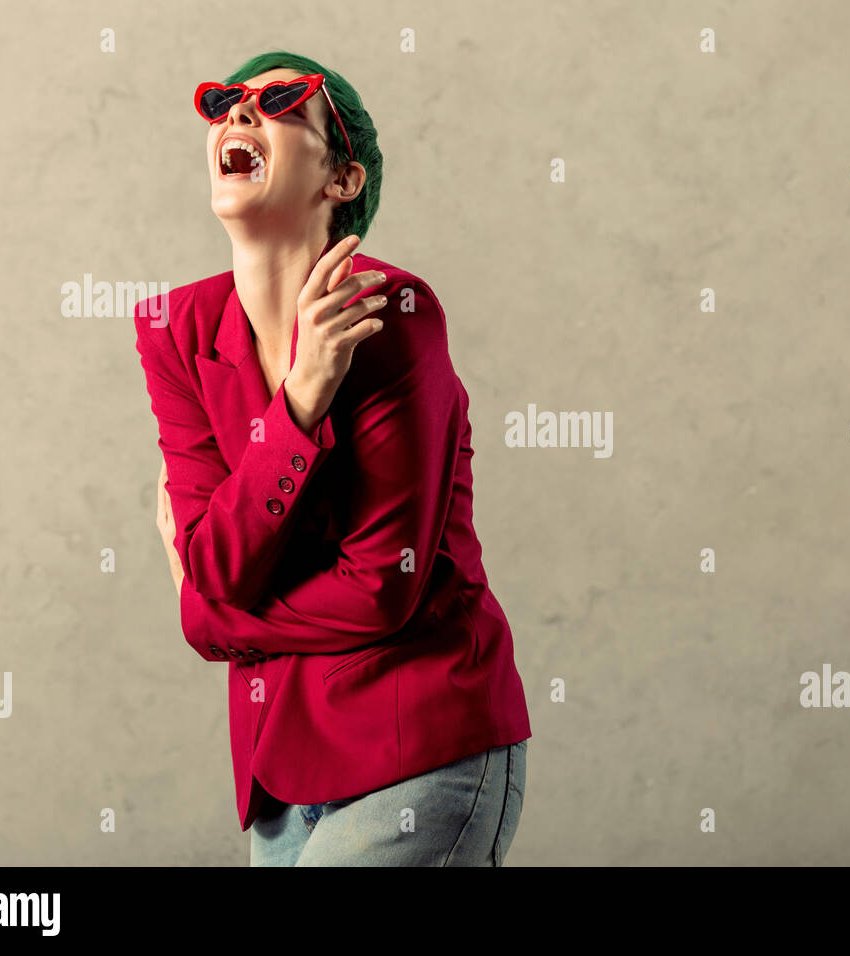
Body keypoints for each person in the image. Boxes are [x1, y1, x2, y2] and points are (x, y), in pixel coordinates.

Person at [133, 50, 530, 865]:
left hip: (422, 750)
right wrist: (301, 401)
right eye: (224, 102)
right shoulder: (174, 332)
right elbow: (218, 560)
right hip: (281, 780)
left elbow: (380, 590)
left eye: (279, 100)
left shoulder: (394, 316)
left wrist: (208, 619)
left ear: (342, 179)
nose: (238, 114)